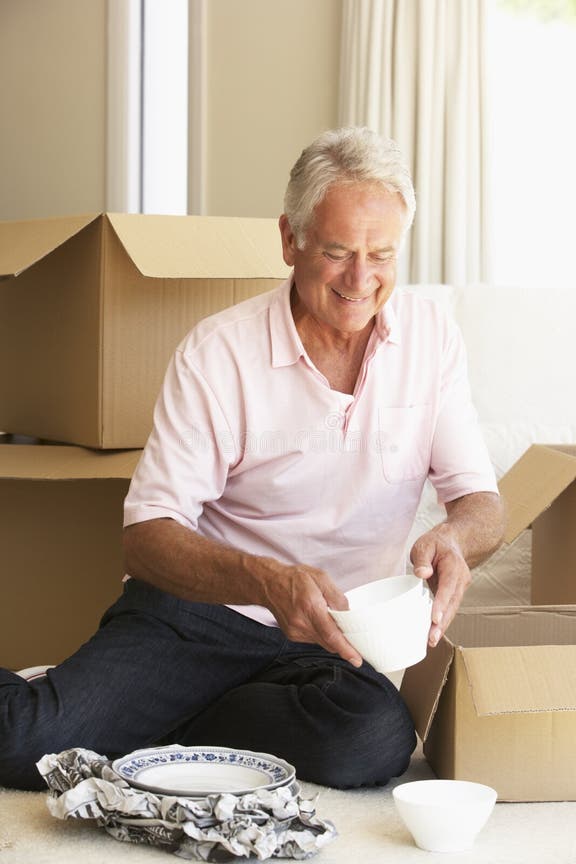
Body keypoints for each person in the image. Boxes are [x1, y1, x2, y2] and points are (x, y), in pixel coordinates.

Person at [0, 127, 505, 792]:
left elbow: (481, 505)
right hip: (196, 619)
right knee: (22, 745)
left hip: (331, 642)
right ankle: (104, 704)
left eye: (381, 254)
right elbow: (145, 541)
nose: (362, 278)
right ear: (290, 239)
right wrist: (266, 582)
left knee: (373, 742)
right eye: (337, 252)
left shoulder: (432, 338)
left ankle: (155, 726)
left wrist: (453, 539)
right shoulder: (220, 353)